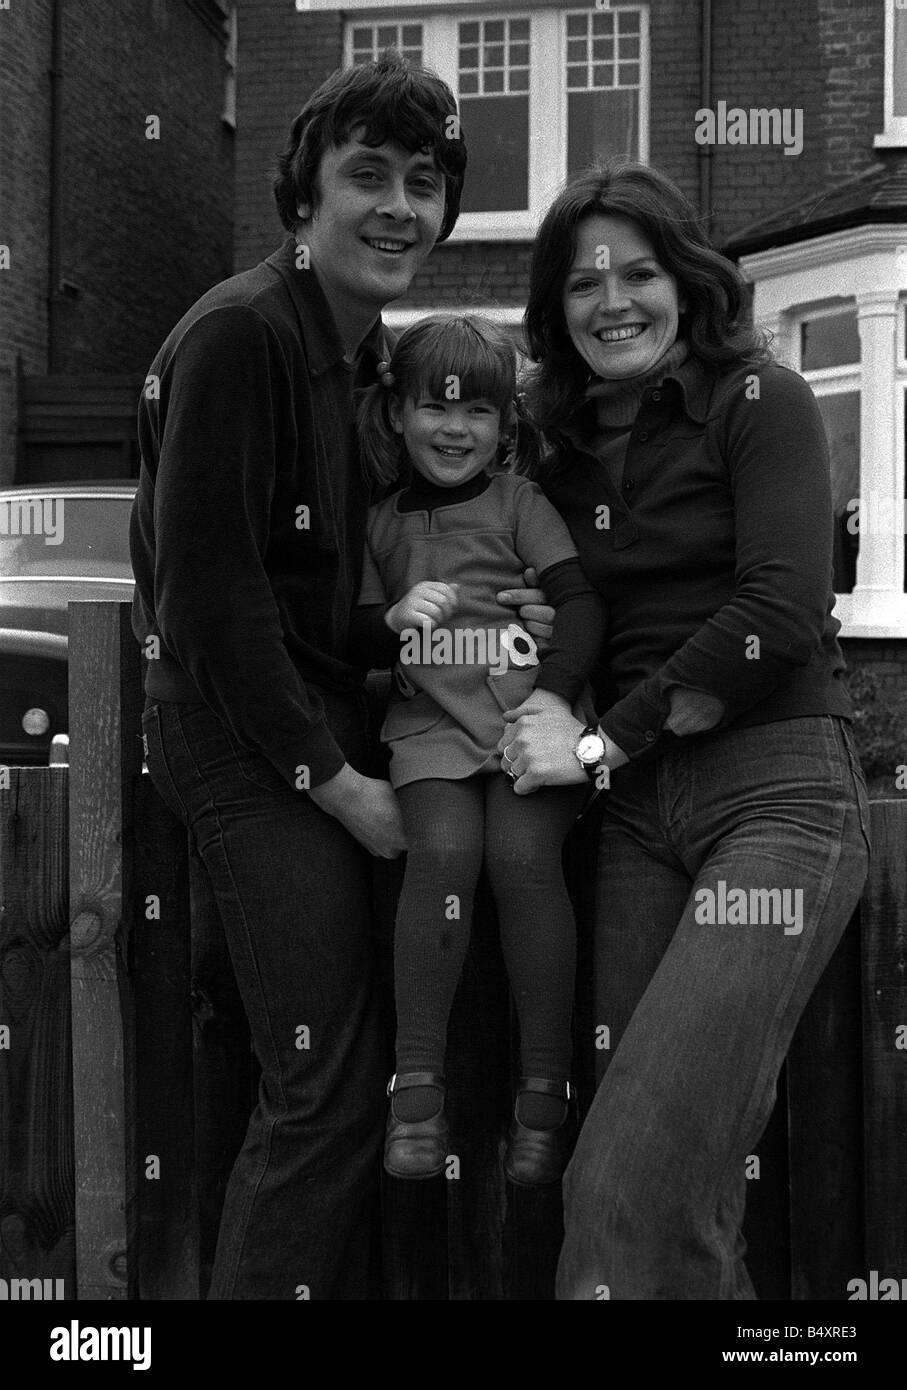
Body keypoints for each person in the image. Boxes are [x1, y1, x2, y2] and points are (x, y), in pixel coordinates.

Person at [129, 56, 544, 1300]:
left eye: (424, 184)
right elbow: (209, 599)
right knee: (322, 1090)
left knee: (343, 1076)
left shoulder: (363, 361)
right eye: (368, 175)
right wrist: (335, 783)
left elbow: (328, 600)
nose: (399, 208)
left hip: (319, 727)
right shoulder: (241, 335)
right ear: (302, 193)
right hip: (244, 740)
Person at [498, 161, 871, 1299]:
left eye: (639, 272)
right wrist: (533, 629)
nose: (612, 300)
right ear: (555, 310)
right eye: (581, 283)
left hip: (775, 798)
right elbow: (574, 603)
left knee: (625, 1187)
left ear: (687, 282)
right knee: (685, 1203)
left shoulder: (764, 403)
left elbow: (777, 611)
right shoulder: (552, 451)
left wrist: (598, 739)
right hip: (635, 823)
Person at [352, 315, 604, 1185]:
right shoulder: (378, 523)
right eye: (435, 406)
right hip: (426, 734)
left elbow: (579, 606)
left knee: (523, 863)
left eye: (479, 413)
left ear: (505, 427)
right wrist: (389, 624)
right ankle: (415, 1094)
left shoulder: (517, 505)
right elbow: (347, 633)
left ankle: (544, 1096)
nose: (455, 427)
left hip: (521, 729)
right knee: (445, 856)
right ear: (395, 414)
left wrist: (552, 699)